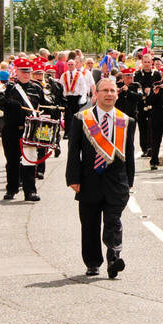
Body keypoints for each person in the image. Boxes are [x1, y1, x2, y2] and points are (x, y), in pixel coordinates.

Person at [66, 77, 136, 278]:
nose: (109, 94)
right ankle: (92, 262)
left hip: (116, 182)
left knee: (114, 222)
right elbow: (73, 151)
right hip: (89, 180)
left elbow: (129, 155)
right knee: (90, 224)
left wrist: (129, 182)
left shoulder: (127, 121)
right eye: (104, 90)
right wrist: (73, 178)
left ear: (117, 94)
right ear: (96, 94)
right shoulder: (82, 118)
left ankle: (113, 259)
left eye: (112, 91)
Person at [0, 58, 48, 201]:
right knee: (12, 160)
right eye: (23, 72)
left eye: (28, 72)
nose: (26, 75)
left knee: (30, 160)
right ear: (16, 72)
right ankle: (11, 189)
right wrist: (8, 102)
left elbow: (45, 106)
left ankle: (30, 191)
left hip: (29, 130)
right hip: (12, 129)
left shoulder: (36, 88)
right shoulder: (9, 88)